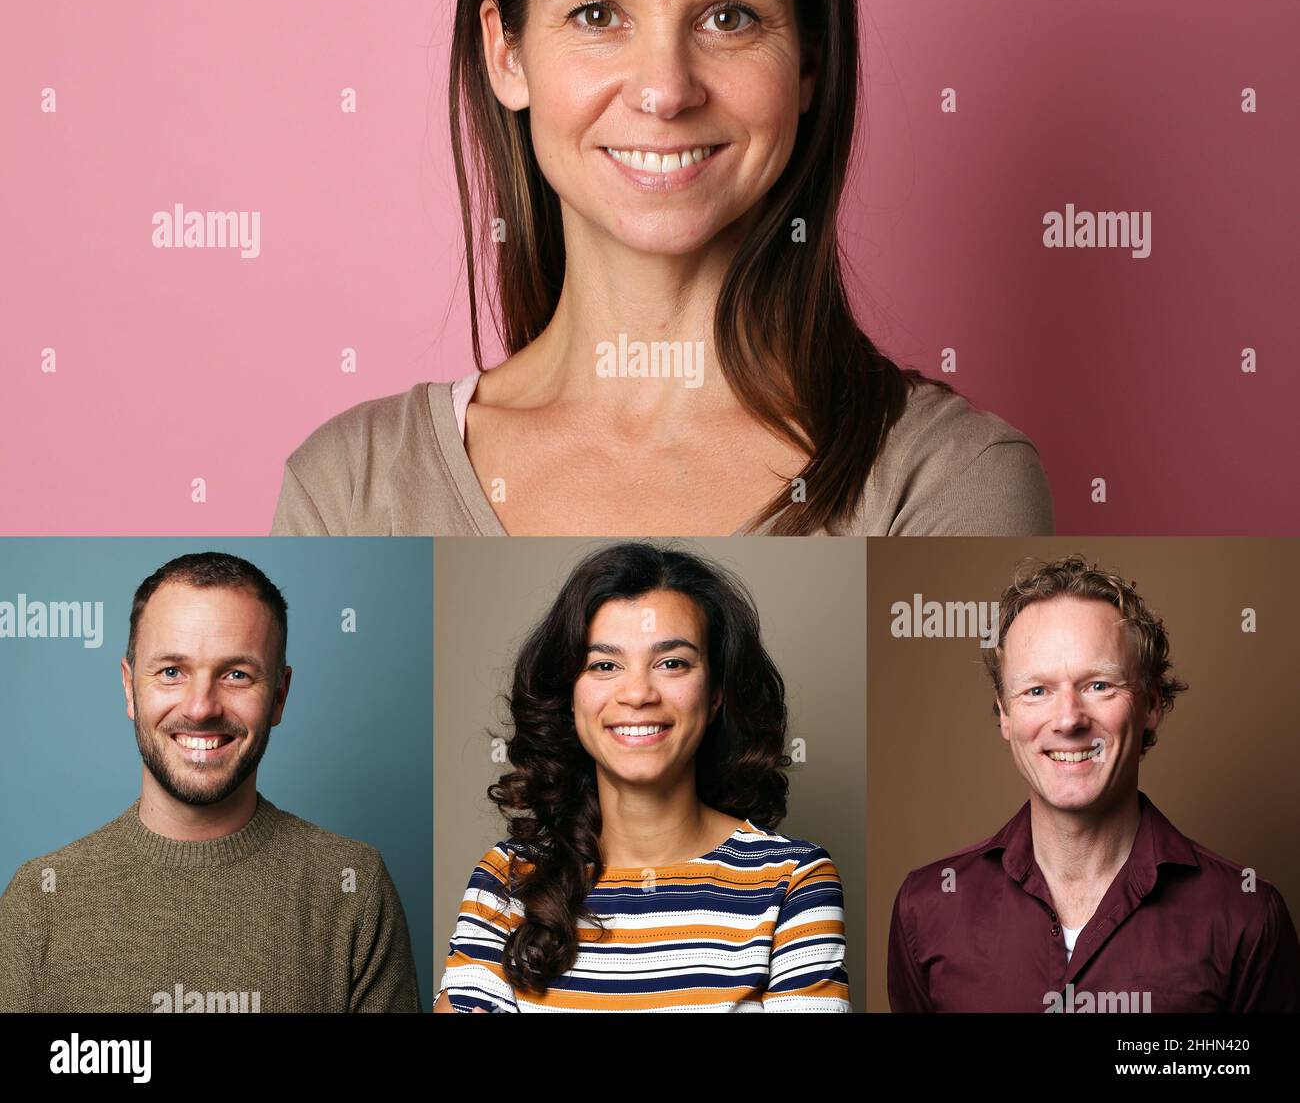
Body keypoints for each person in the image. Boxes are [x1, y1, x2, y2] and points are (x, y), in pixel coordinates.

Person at [271, 0, 1053, 539]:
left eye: (729, 17)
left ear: (810, 60)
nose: (665, 90)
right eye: (598, 15)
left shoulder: (952, 483)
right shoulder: (347, 495)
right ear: (507, 55)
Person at [434, 542, 851, 1012]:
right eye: (605, 665)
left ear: (716, 692)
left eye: (671, 662)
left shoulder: (793, 879)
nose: (637, 693)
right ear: (570, 698)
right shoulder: (506, 879)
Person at [0, 552, 421, 1013]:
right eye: (171, 672)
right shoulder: (40, 898)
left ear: (279, 696)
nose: (201, 708)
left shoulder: (354, 887)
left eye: (236, 674)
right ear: (129, 688)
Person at [887, 555, 1300, 1013]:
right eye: (1037, 691)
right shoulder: (926, 908)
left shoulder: (1247, 917)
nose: (1068, 719)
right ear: (1005, 714)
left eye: (1099, 685)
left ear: (1152, 704)